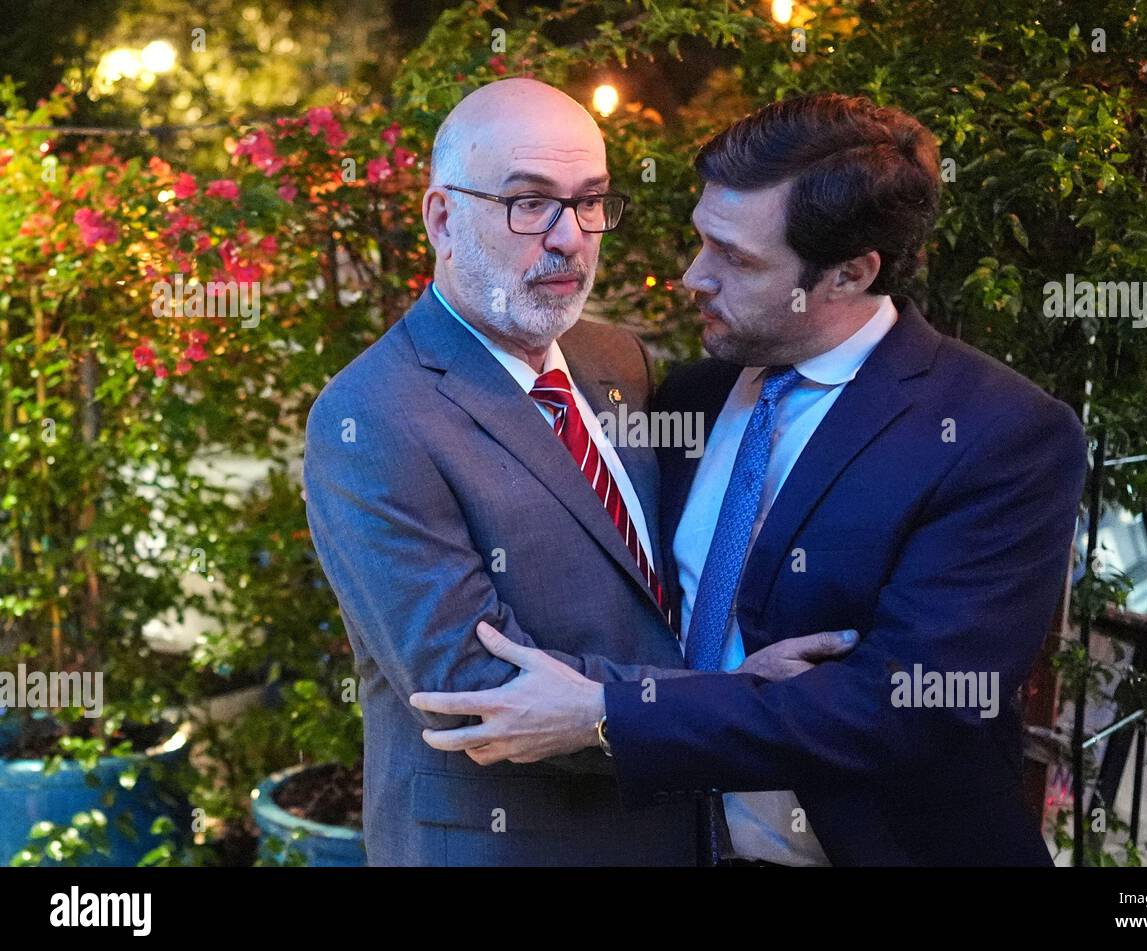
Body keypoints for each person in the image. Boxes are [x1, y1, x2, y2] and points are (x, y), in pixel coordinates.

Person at [411, 92, 1088, 866]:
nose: (693, 278)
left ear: (848, 274)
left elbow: (908, 707)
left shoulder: (1000, 435)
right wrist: (741, 689)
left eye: (735, 258)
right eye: (702, 241)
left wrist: (610, 713)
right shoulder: (689, 399)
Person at [303, 78, 848, 866]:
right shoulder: (374, 417)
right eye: (529, 202)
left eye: (590, 200)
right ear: (443, 218)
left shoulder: (612, 355)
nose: (568, 237)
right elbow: (474, 685)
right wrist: (734, 700)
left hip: (674, 829)